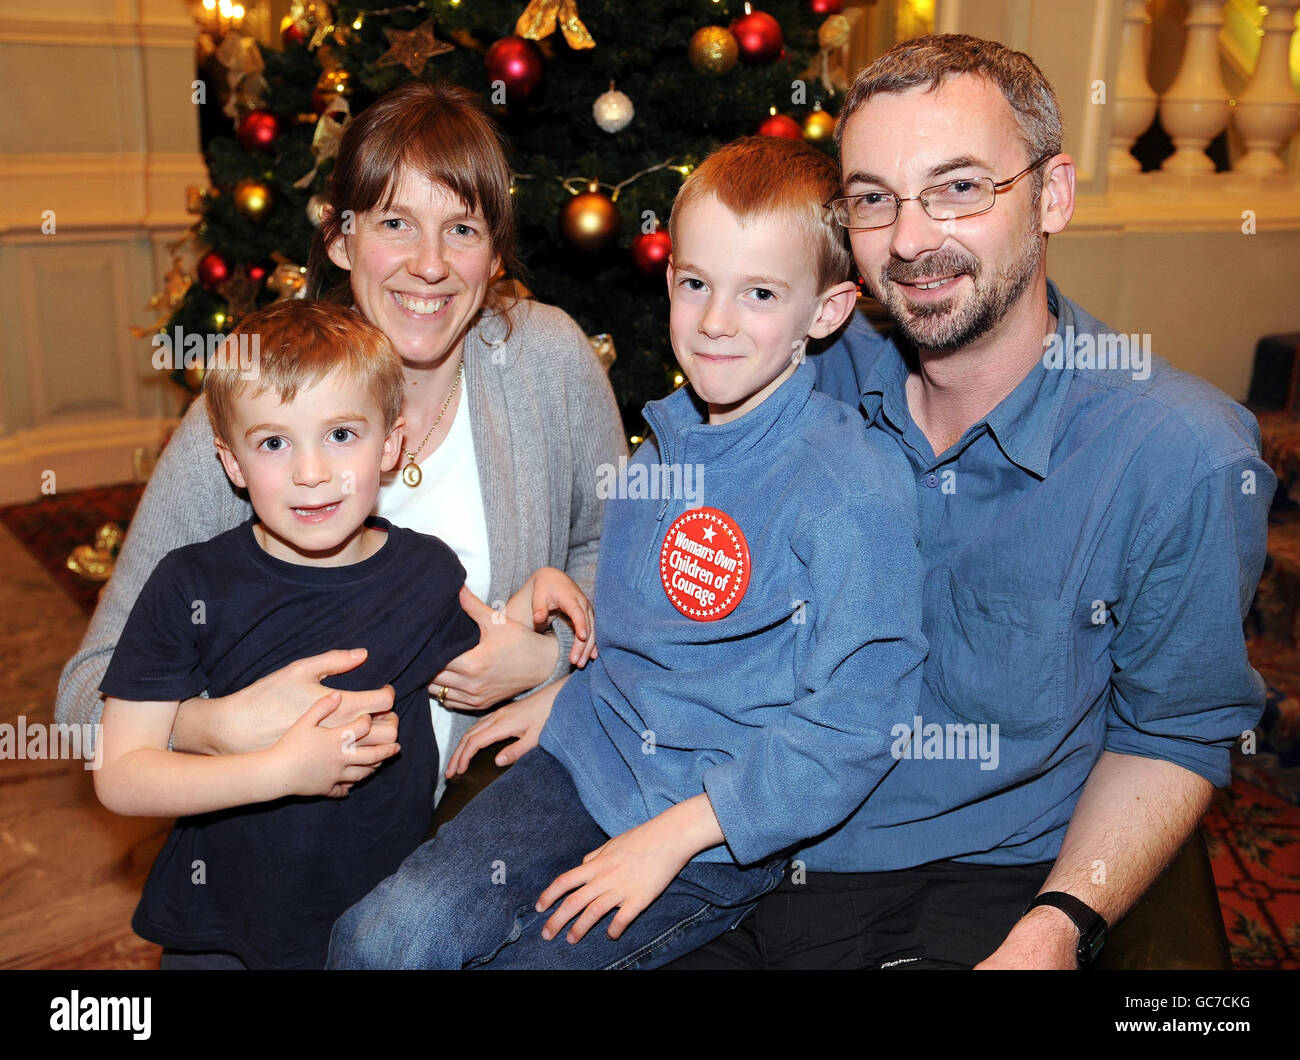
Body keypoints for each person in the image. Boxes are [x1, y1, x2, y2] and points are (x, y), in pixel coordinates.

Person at [668, 34, 1275, 970]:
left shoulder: (1176, 455)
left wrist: (1056, 928)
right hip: (729, 837)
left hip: (966, 884)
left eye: (958, 188)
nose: (909, 242)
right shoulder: (796, 366)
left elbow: (1171, 731)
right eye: (874, 198)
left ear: (1052, 196)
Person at [326, 136, 928, 969]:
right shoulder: (658, 453)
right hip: (586, 766)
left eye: (759, 293)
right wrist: (570, 693)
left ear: (824, 313)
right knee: (389, 933)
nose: (716, 322)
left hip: (715, 837)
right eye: (694, 285)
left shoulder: (849, 487)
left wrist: (673, 838)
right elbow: (640, 641)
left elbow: (856, 722)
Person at [56, 80, 625, 803]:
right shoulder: (259, 396)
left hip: (496, 800)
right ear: (338, 235)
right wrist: (216, 727)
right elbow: (85, 698)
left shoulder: (546, 358)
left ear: (494, 254)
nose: (429, 264)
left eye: (463, 229)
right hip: (297, 846)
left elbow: (621, 558)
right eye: (394, 223)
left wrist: (550, 661)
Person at [93, 301, 588, 970]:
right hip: (221, 928)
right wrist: (279, 770)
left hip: (370, 929)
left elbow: (479, 665)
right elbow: (121, 775)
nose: (311, 471)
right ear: (230, 461)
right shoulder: (189, 586)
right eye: (273, 443)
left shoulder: (426, 570)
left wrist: (536, 601)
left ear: (390, 444)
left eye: (341, 435)